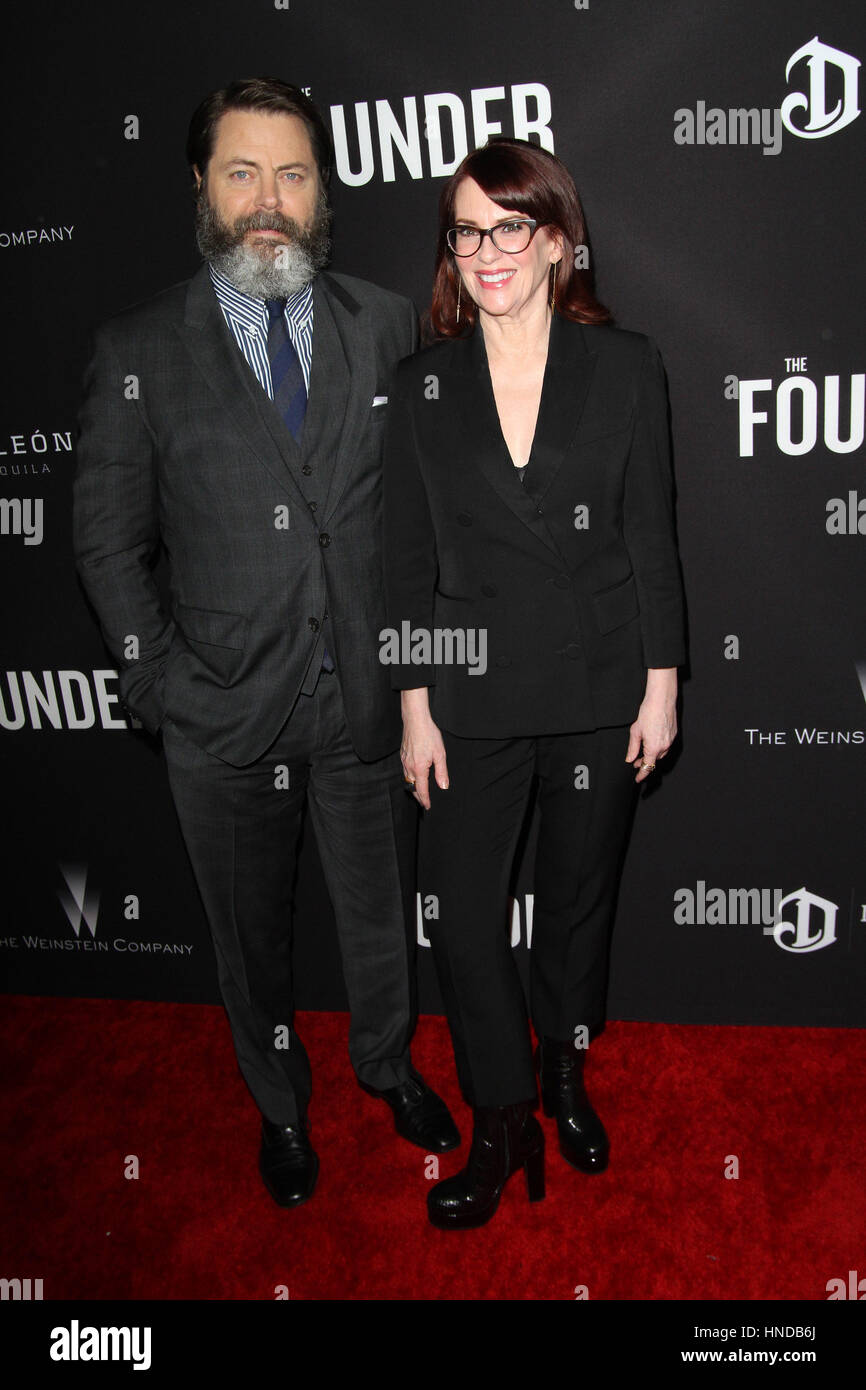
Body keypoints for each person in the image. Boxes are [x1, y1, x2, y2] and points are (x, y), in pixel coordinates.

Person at [73, 77, 458, 1210]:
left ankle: (385, 1064)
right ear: (200, 187)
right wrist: (158, 681)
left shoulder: (386, 322)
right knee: (252, 942)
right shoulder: (138, 347)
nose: (268, 200)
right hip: (223, 720)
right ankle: (279, 1108)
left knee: (382, 913)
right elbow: (104, 543)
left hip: (362, 704)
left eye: (291, 173)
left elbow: (419, 515)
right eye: (242, 172)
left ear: (320, 190)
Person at [383, 137, 686, 1229]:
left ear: (556, 240)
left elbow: (650, 536)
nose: (486, 251)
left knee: (573, 902)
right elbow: (403, 565)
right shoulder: (419, 388)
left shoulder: (624, 366)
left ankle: (561, 1068)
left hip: (598, 682)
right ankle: (500, 1115)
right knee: (463, 921)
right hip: (465, 696)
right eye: (466, 231)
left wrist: (661, 688)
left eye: (510, 226)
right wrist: (414, 711)